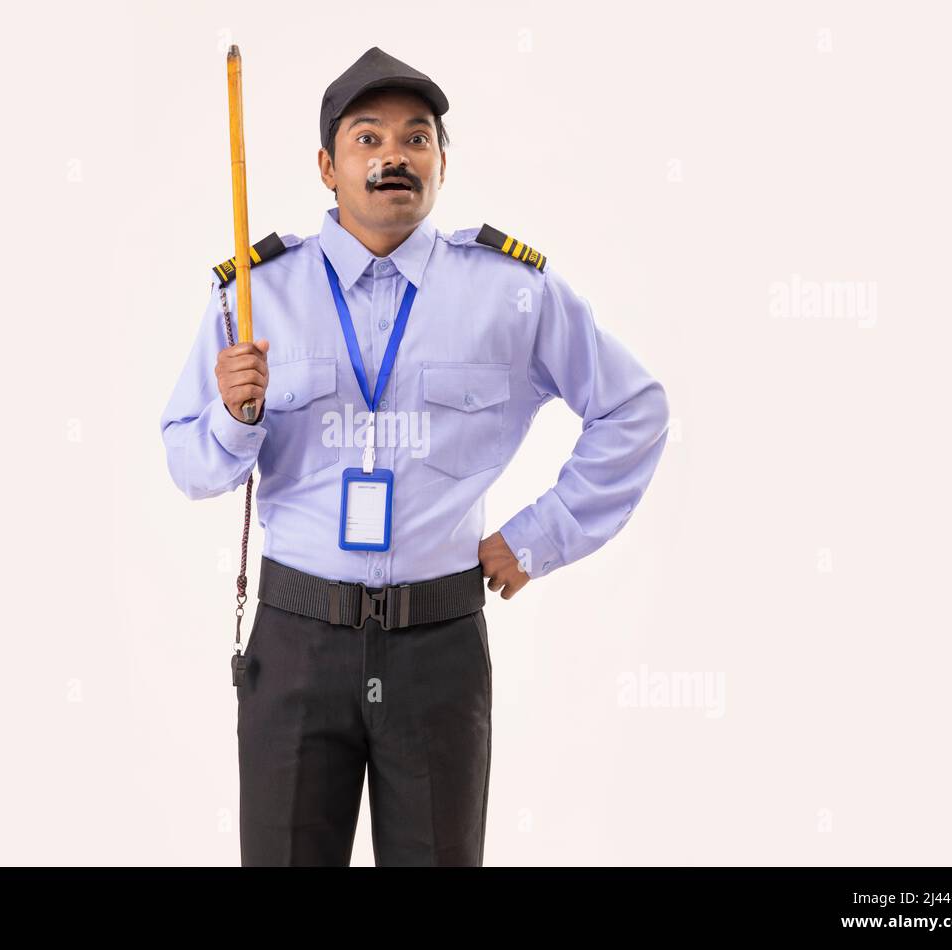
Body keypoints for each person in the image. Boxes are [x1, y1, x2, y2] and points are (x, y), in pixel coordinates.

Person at [161, 46, 670, 866]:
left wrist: (542, 535)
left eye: (416, 137)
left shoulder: (510, 291)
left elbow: (633, 406)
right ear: (328, 166)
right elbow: (190, 466)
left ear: (440, 160)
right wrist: (232, 413)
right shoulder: (255, 297)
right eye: (367, 138)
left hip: (437, 645)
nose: (393, 155)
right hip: (296, 641)